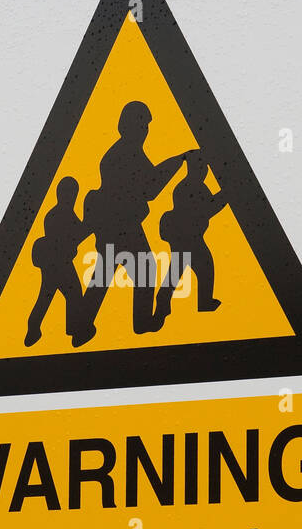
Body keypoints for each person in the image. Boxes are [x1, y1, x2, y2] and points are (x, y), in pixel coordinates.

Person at [79, 101, 196, 338]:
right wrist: (179, 160)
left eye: (147, 125)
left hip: (119, 226)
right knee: (136, 270)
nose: (145, 130)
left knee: (105, 274)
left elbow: (149, 181)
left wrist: (177, 160)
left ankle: (82, 326)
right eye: (141, 123)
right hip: (121, 226)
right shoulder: (124, 153)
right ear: (128, 125)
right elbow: (150, 187)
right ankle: (138, 322)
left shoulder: (128, 151)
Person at [155, 150, 228, 326]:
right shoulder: (189, 187)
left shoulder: (193, 186)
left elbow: (208, 207)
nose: (205, 170)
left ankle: (169, 299)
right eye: (202, 166)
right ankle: (199, 301)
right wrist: (226, 194)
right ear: (195, 167)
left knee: (182, 271)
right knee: (204, 268)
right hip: (189, 238)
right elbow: (208, 209)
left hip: (189, 237)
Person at [25, 176, 92, 347]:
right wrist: (91, 222)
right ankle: (76, 333)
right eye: (71, 192)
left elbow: (77, 233)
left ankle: (33, 328)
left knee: (46, 297)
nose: (73, 196)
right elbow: (77, 234)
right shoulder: (62, 213)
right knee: (74, 294)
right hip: (60, 263)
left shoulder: (58, 212)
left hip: (52, 263)